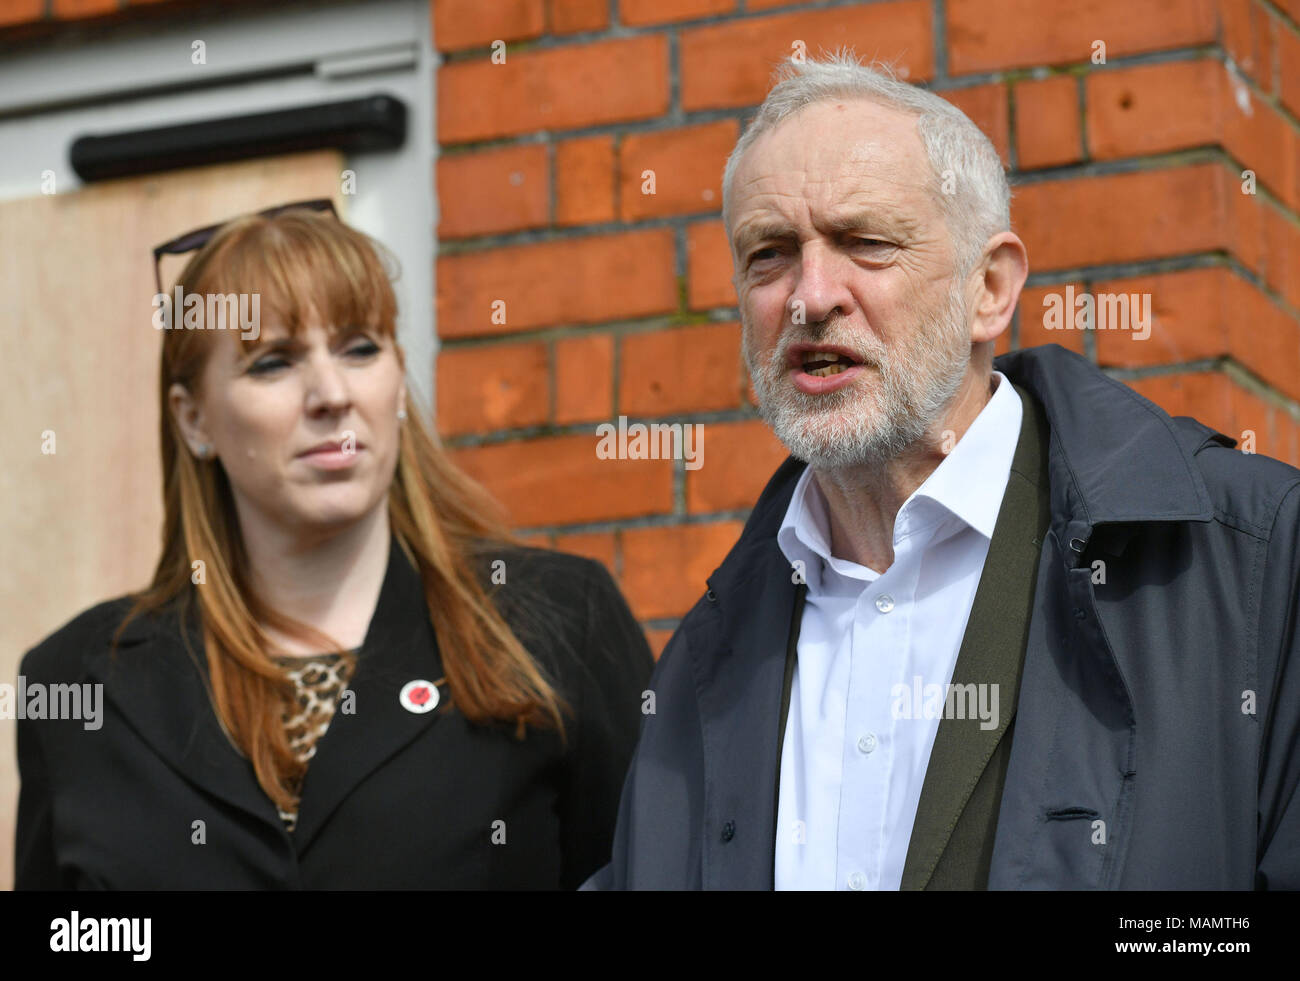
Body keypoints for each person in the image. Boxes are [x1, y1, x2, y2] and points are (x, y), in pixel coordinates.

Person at [583, 51, 1300, 890]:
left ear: (989, 288)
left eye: (866, 243)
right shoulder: (707, 660)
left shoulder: (1248, 565)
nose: (812, 295)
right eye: (769, 254)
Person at [15, 201, 653, 889]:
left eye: (359, 348)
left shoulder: (557, 623)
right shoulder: (77, 683)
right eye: (273, 362)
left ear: (398, 381)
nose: (330, 393)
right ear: (193, 418)